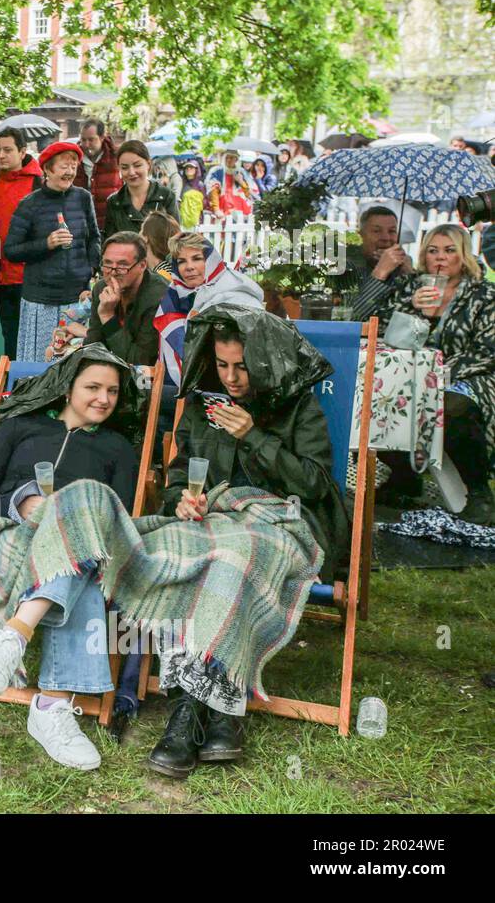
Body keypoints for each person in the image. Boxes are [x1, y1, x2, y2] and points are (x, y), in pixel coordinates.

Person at [147, 306, 349, 777]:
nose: (232, 378)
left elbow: (316, 484)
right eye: (222, 365)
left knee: (226, 558)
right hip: (216, 520)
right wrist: (180, 502)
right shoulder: (202, 407)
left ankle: (189, 713)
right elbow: (181, 478)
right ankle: (221, 715)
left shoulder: (296, 405)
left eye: (242, 366)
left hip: (282, 525)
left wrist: (255, 436)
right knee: (196, 555)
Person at [0, 345, 141, 769]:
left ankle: (13, 639)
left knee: (85, 506)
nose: (104, 399)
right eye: (92, 387)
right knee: (84, 574)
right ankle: (52, 708)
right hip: (9, 542)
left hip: (79, 550)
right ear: (67, 386)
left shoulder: (118, 448)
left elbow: (119, 517)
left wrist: (69, 512)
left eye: (112, 391)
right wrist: (20, 505)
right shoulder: (21, 428)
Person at [376, 224, 495, 523]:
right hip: (414, 375)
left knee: (452, 406)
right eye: (433, 251)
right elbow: (386, 335)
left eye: (449, 250)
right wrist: (411, 309)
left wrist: (438, 375)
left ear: (463, 255)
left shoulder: (485, 294)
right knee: (383, 396)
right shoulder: (410, 287)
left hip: (472, 376)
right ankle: (404, 476)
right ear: (424, 256)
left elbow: (486, 351)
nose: (440, 258)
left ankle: (479, 492)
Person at [5, 140, 102, 363]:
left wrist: (90, 268)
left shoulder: (83, 197)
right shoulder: (29, 204)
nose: (70, 172)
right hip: (41, 299)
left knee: (73, 362)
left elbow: (94, 237)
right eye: (64, 166)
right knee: (41, 361)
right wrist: (45, 244)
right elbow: (10, 250)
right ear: (47, 169)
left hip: (77, 297)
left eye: (74, 166)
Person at [153, 232, 264, 391]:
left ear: (212, 260)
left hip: (234, 386)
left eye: (197, 258)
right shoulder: (175, 295)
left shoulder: (235, 291)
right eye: (182, 261)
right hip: (194, 385)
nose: (189, 267)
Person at [0, 127, 43, 360]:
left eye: (7, 150)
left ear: (22, 151)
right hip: (1, 277)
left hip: (31, 277)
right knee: (10, 336)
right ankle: (11, 388)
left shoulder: (38, 184)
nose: (1, 156)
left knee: (33, 338)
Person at [84, 231, 169, 368]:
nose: (113, 271)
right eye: (107, 263)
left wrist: (108, 316)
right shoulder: (101, 288)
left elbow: (139, 362)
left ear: (142, 265)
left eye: (122, 265)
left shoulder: (160, 296)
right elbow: (92, 347)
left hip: (151, 380)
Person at [346, 206, 411, 321]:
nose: (386, 238)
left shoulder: (403, 264)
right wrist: (380, 272)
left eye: (392, 231)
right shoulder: (347, 265)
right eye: (377, 231)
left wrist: (409, 273)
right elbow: (351, 317)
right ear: (360, 235)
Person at [102, 141, 178, 239]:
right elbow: (111, 241)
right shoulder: (114, 201)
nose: (131, 172)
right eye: (125, 167)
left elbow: (175, 240)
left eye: (137, 165)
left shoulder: (166, 196)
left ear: (148, 164)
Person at [74, 118, 122, 230]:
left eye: (91, 140)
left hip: (110, 224)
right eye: (83, 140)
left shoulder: (117, 157)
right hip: (80, 224)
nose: (86, 144)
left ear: (102, 137)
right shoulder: (72, 158)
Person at [206, 150, 256, 217]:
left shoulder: (241, 172)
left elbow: (249, 194)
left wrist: (241, 182)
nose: (229, 160)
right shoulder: (217, 171)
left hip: (239, 207)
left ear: (236, 159)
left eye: (232, 158)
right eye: (227, 157)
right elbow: (212, 190)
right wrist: (216, 209)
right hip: (221, 204)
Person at [140, 209, 180, 278]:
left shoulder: (161, 277)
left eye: (141, 229)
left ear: (145, 238)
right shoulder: (171, 270)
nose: (138, 234)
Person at [178, 158, 208, 228]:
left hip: (197, 218)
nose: (188, 169)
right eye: (186, 168)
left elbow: (205, 202)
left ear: (196, 170)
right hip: (183, 218)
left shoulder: (200, 185)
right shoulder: (182, 183)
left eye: (191, 167)